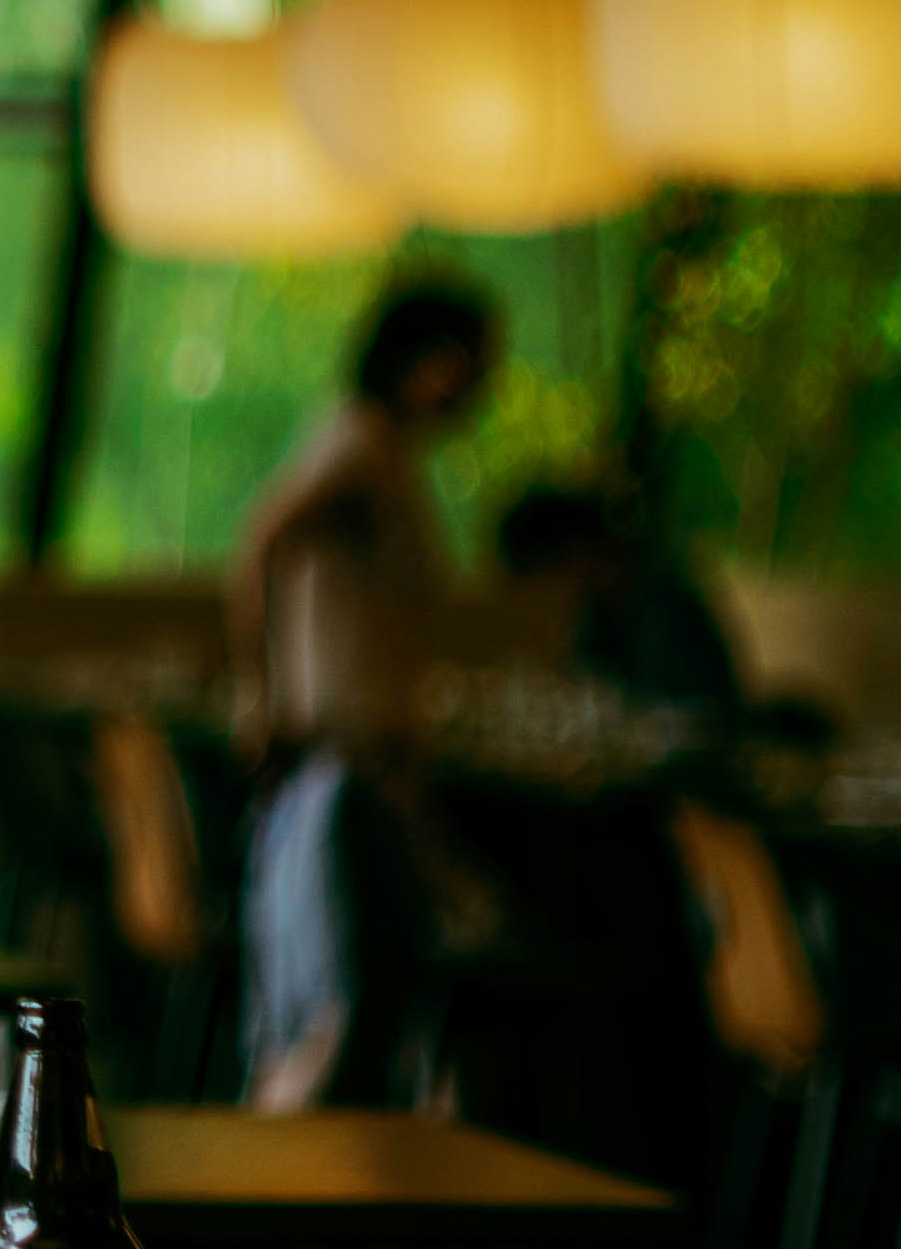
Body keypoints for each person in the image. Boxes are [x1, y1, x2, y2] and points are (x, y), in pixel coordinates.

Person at [227, 276, 502, 1111]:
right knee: (341, 1011)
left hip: (368, 761)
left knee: (343, 1004)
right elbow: (262, 544)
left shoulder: (375, 451)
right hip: (348, 765)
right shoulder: (360, 448)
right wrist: (260, 690)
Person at [493, 475, 746, 743]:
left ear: (572, 555)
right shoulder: (597, 609)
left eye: (544, 577)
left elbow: (695, 715)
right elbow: (583, 684)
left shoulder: (660, 603)